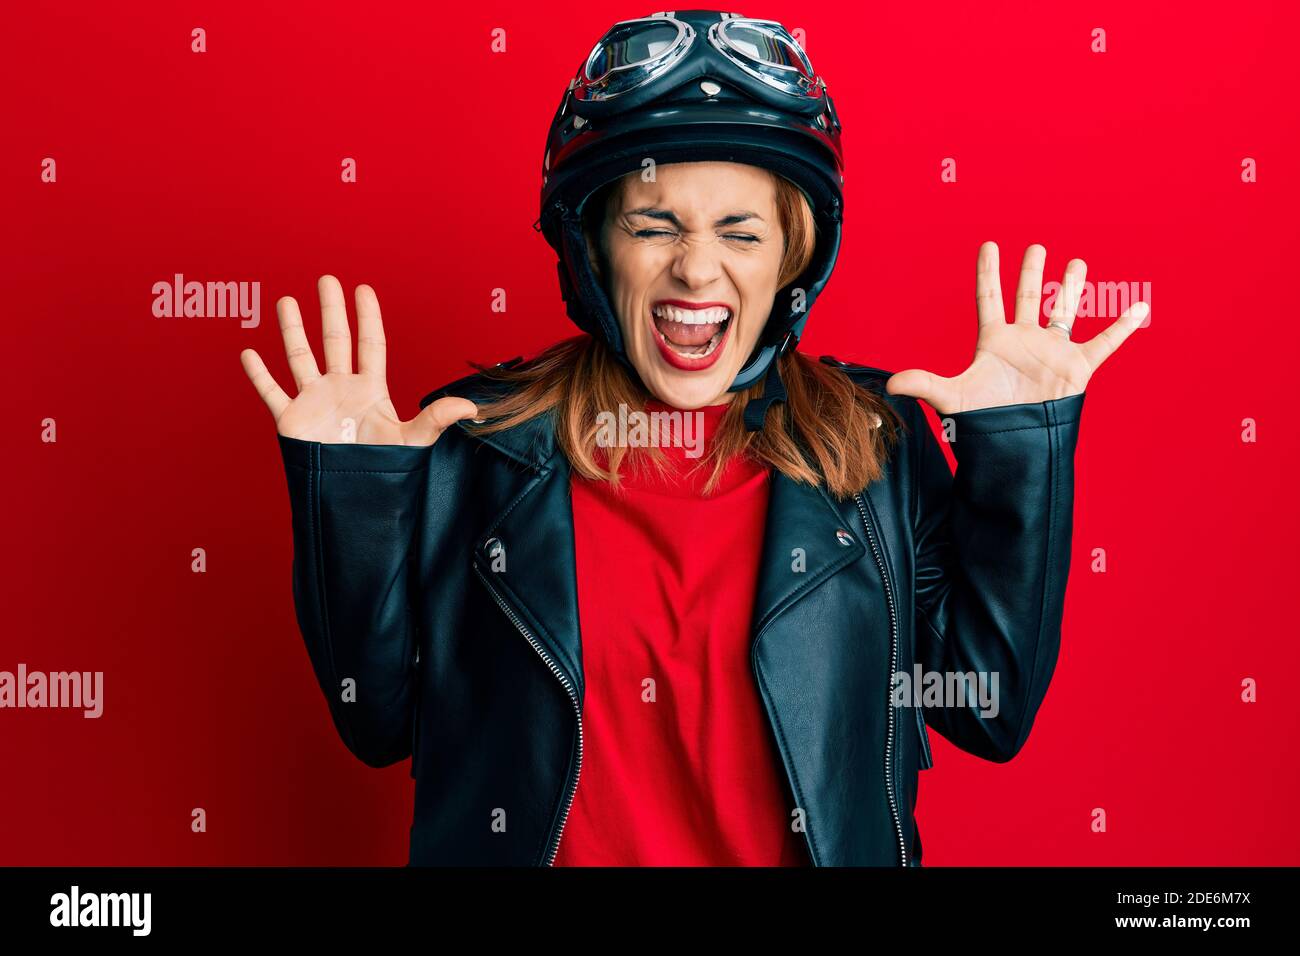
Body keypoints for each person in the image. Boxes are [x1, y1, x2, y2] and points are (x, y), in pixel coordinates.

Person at [239, 11, 1145, 866]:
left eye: (740, 232)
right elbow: (376, 723)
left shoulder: (873, 449)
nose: (696, 268)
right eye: (652, 225)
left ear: (791, 257)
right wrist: (351, 492)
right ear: (593, 249)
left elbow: (987, 709)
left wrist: (1021, 454)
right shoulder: (477, 444)